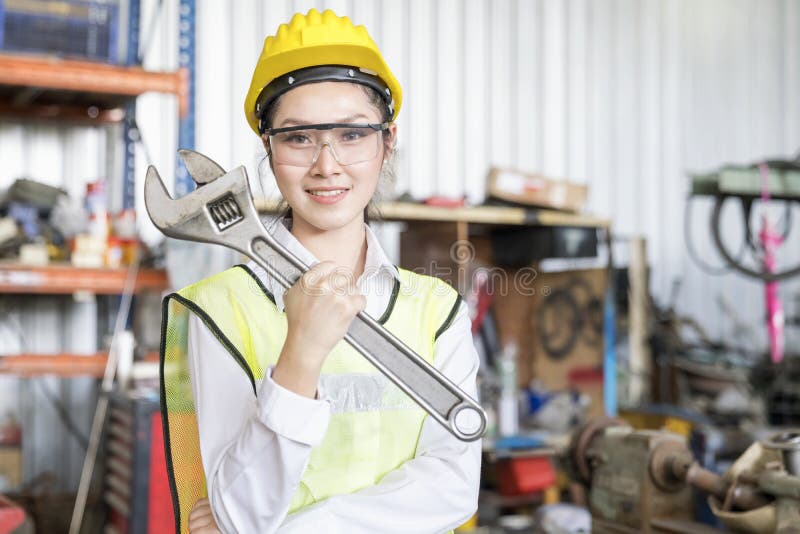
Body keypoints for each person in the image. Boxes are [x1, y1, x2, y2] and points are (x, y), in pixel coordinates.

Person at [160, 8, 482, 534]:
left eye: (352, 135)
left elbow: (452, 488)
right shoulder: (216, 310)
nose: (327, 165)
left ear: (387, 141)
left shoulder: (438, 311)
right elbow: (240, 513)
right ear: (268, 147)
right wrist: (301, 353)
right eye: (299, 137)